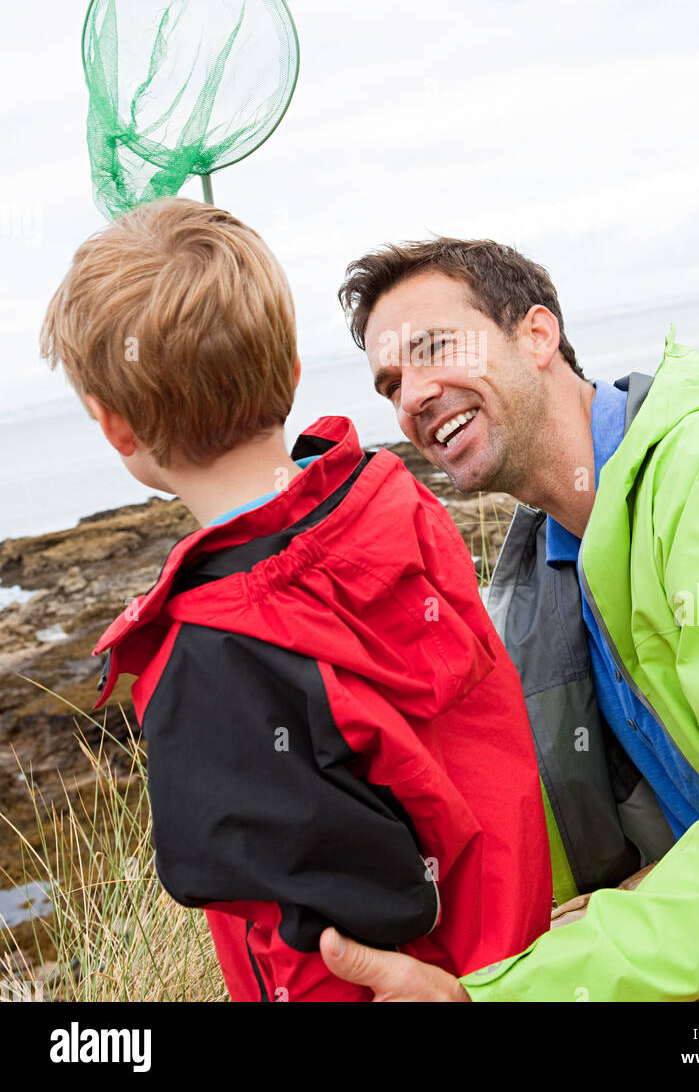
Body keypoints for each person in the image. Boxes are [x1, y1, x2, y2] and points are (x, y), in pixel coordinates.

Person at [318, 236, 699, 1002]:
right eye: (389, 383)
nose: (409, 397)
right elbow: (515, 844)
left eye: (435, 347)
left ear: (538, 335)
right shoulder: (544, 579)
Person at [39, 204, 552, 1002]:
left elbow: (316, 942)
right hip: (518, 959)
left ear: (115, 429)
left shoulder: (205, 656)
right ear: (288, 373)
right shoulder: (396, 501)